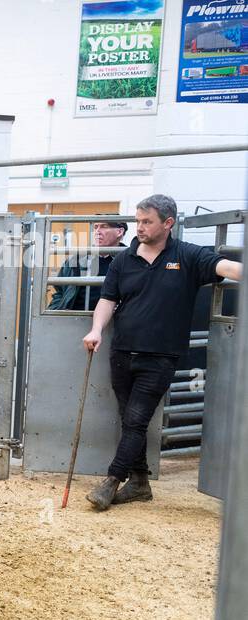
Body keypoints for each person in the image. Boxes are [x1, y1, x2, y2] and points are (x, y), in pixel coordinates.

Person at [82, 194, 242, 510]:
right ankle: (140, 482)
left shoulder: (189, 256)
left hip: (160, 356)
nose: (139, 228)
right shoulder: (123, 260)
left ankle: (111, 481)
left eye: (147, 222)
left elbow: (226, 267)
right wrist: (96, 329)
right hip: (122, 351)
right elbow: (107, 300)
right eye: (137, 221)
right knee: (129, 418)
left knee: (137, 419)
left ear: (168, 223)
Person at [48, 220, 127, 311]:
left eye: (104, 227)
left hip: (114, 320)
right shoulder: (76, 259)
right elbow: (59, 290)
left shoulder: (130, 261)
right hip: (74, 318)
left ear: (119, 232)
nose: (97, 232)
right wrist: (57, 310)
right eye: (96, 227)